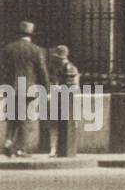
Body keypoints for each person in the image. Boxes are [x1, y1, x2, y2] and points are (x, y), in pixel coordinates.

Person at [2, 20, 49, 157]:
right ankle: (20, 149)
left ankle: (8, 142)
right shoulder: (36, 50)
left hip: (11, 88)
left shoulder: (8, 48)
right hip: (28, 89)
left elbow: (3, 69)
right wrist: (46, 89)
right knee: (25, 119)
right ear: (31, 35)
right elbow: (42, 71)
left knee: (12, 117)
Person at [48, 44, 79, 157]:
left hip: (67, 101)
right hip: (58, 100)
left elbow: (74, 86)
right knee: (54, 125)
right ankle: (53, 149)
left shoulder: (70, 68)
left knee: (64, 125)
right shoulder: (57, 68)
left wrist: (59, 88)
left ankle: (64, 148)